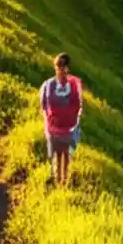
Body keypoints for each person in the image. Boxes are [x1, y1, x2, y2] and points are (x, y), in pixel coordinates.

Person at [40, 52, 83, 186]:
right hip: (54, 125)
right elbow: (44, 103)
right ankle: (58, 179)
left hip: (67, 125)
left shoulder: (73, 84)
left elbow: (77, 103)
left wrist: (72, 118)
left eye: (62, 67)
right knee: (58, 153)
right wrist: (49, 117)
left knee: (64, 153)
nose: (60, 69)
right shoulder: (49, 84)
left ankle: (63, 180)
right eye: (58, 66)